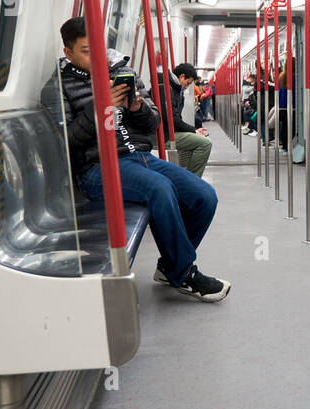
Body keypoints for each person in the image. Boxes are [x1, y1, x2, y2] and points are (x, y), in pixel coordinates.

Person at [54, 17, 229, 301]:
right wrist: (101, 108)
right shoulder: (60, 86)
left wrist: (136, 107)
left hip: (137, 155)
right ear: (68, 53)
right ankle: (184, 273)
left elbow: (153, 123)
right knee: (160, 188)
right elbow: (65, 141)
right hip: (96, 167)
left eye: (98, 47)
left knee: (204, 196)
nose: (96, 55)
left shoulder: (123, 72)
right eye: (86, 50)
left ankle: (170, 267)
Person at [168, 63, 212, 178]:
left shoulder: (175, 90)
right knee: (205, 144)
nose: (187, 87)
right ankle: (192, 180)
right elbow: (172, 119)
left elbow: (176, 118)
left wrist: (192, 131)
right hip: (164, 135)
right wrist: (193, 131)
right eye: (187, 83)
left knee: (198, 139)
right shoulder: (167, 89)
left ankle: (187, 177)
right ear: (182, 77)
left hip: (168, 132)